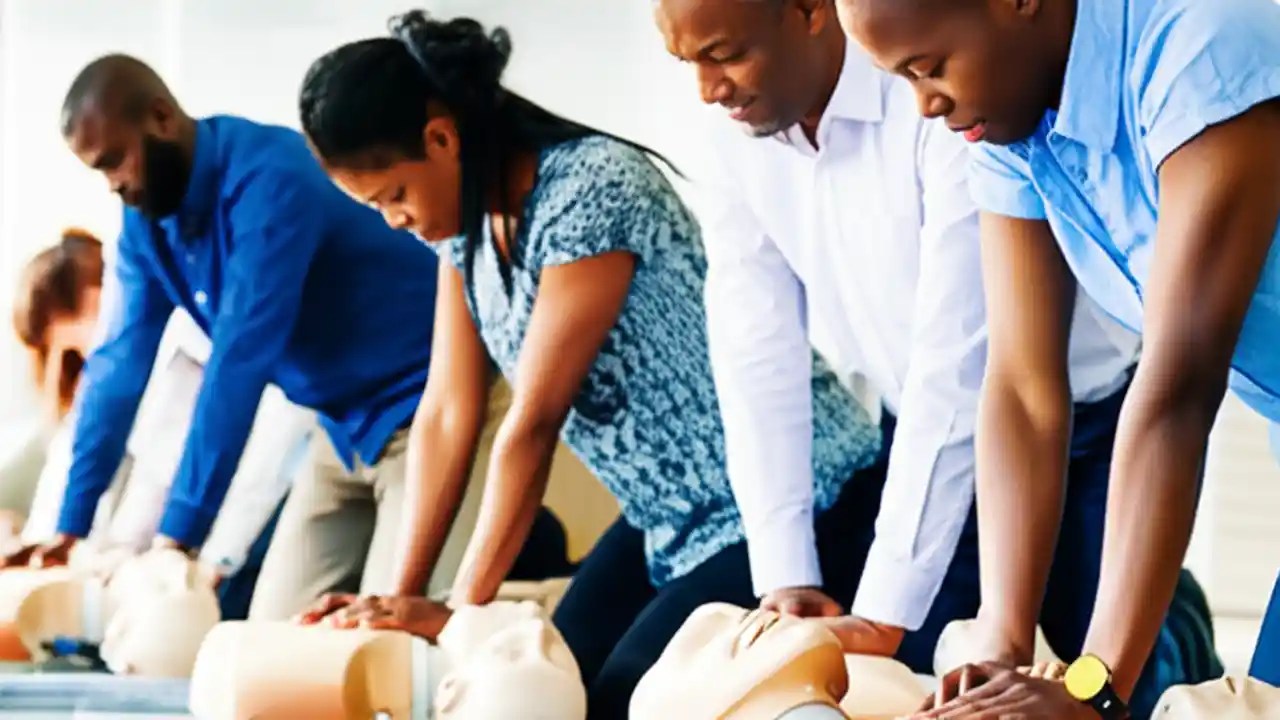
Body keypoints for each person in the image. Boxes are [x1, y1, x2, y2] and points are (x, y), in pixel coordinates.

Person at [294, 11, 884, 718]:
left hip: (802, 499)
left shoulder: (591, 188)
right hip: (664, 519)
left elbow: (533, 423)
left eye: (393, 196)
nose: (394, 220)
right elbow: (447, 413)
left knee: (611, 699)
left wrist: (462, 608)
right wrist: (396, 597)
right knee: (547, 680)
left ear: (441, 138)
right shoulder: (466, 234)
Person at [838, 0, 1280, 716]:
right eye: (902, 80)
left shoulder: (1198, 49)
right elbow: (1022, 386)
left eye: (931, 68)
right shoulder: (1013, 122)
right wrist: (1002, 646)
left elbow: (1178, 390)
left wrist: (1095, 688)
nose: (924, 105)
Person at [37, 54, 542, 622]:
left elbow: (240, 359)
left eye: (114, 162)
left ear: (159, 117)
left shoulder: (269, 177)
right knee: (271, 646)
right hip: (340, 432)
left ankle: (539, 607)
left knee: (389, 643)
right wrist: (70, 526)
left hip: (434, 411)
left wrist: (177, 537)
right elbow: (117, 366)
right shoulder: (144, 222)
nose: (115, 185)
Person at [5, 229, 308, 620]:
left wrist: (200, 558)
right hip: (178, 542)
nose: (94, 358)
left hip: (248, 519)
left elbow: (256, 453)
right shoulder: (108, 387)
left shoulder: (190, 340)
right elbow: (142, 473)